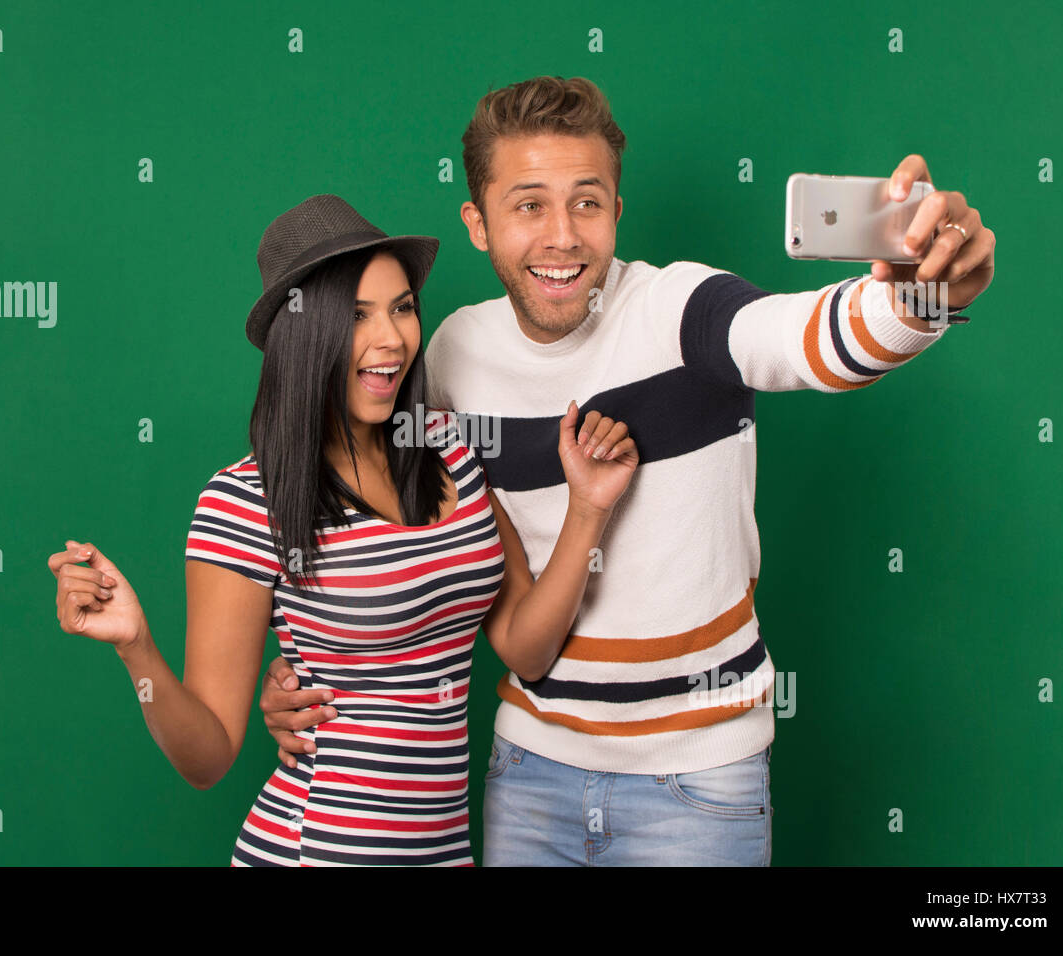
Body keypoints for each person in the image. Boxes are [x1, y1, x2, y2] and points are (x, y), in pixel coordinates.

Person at [260, 76, 997, 866]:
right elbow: (407, 541)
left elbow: (807, 339)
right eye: (528, 204)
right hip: (528, 775)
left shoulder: (681, 308)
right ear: (478, 223)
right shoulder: (449, 360)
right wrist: (309, 676)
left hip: (699, 787)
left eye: (587, 201)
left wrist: (922, 298)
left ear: (617, 210)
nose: (562, 236)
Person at [46, 194, 640, 865]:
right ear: (304, 333)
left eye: (402, 307)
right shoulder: (245, 502)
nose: (392, 339)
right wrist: (136, 647)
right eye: (357, 316)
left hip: (441, 853)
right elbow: (209, 757)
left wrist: (588, 511)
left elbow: (526, 649)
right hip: (315, 849)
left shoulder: (449, 447)